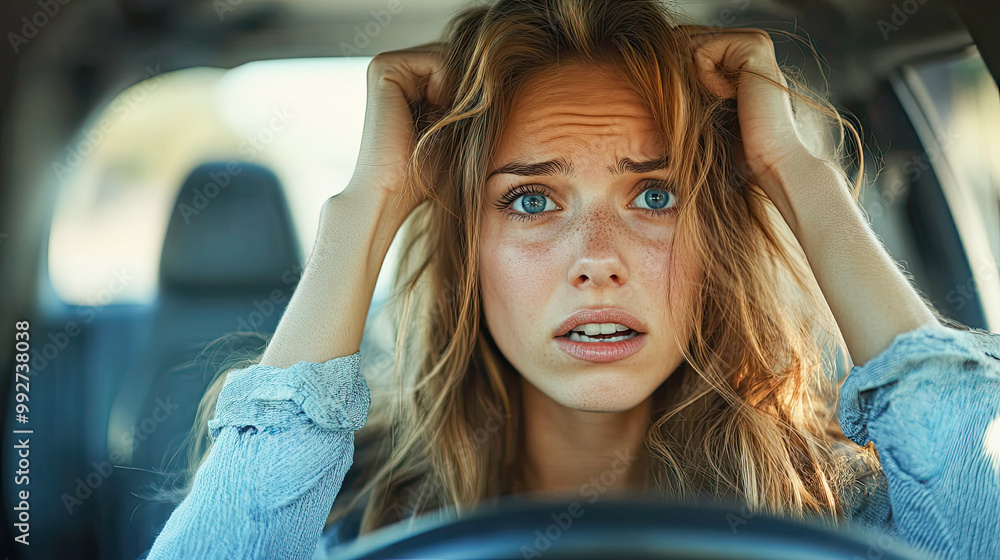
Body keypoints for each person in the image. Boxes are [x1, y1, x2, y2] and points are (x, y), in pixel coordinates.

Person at [146, 0, 1000, 558]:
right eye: (530, 200)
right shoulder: (343, 511)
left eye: (655, 194)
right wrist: (363, 209)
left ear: (716, 242)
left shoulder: (835, 506)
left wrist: (795, 172)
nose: (598, 256)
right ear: (465, 252)